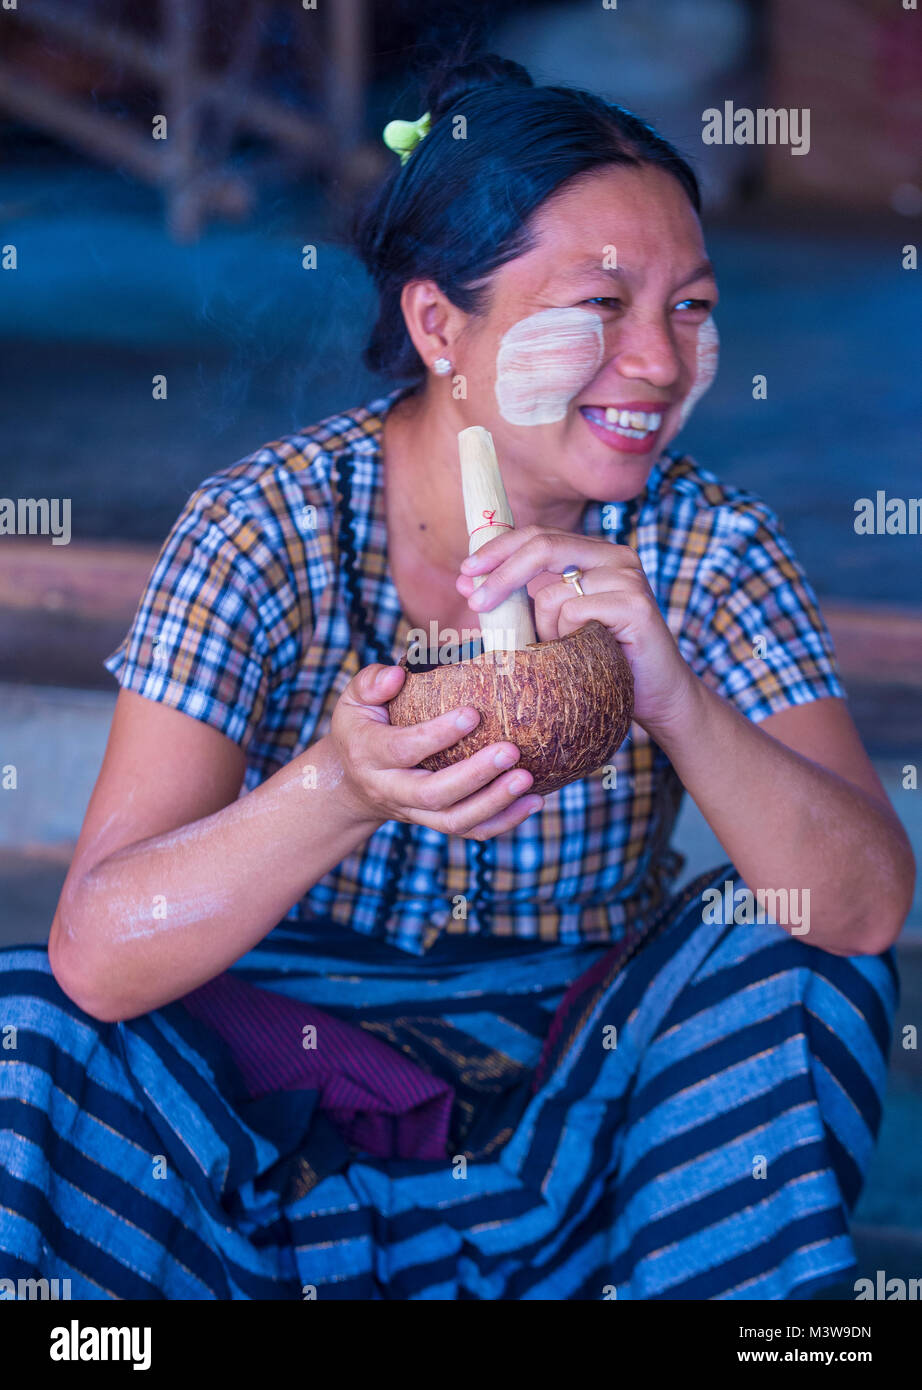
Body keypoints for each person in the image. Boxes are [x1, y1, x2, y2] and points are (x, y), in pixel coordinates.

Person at [0, 53, 913, 1302]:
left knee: (794, 959)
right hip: (285, 1118)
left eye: (690, 308)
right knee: (27, 1026)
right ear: (439, 326)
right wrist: (338, 784)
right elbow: (101, 951)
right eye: (597, 307)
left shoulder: (706, 547)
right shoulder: (262, 529)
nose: (654, 361)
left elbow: (861, 910)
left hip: (580, 1124)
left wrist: (672, 696)